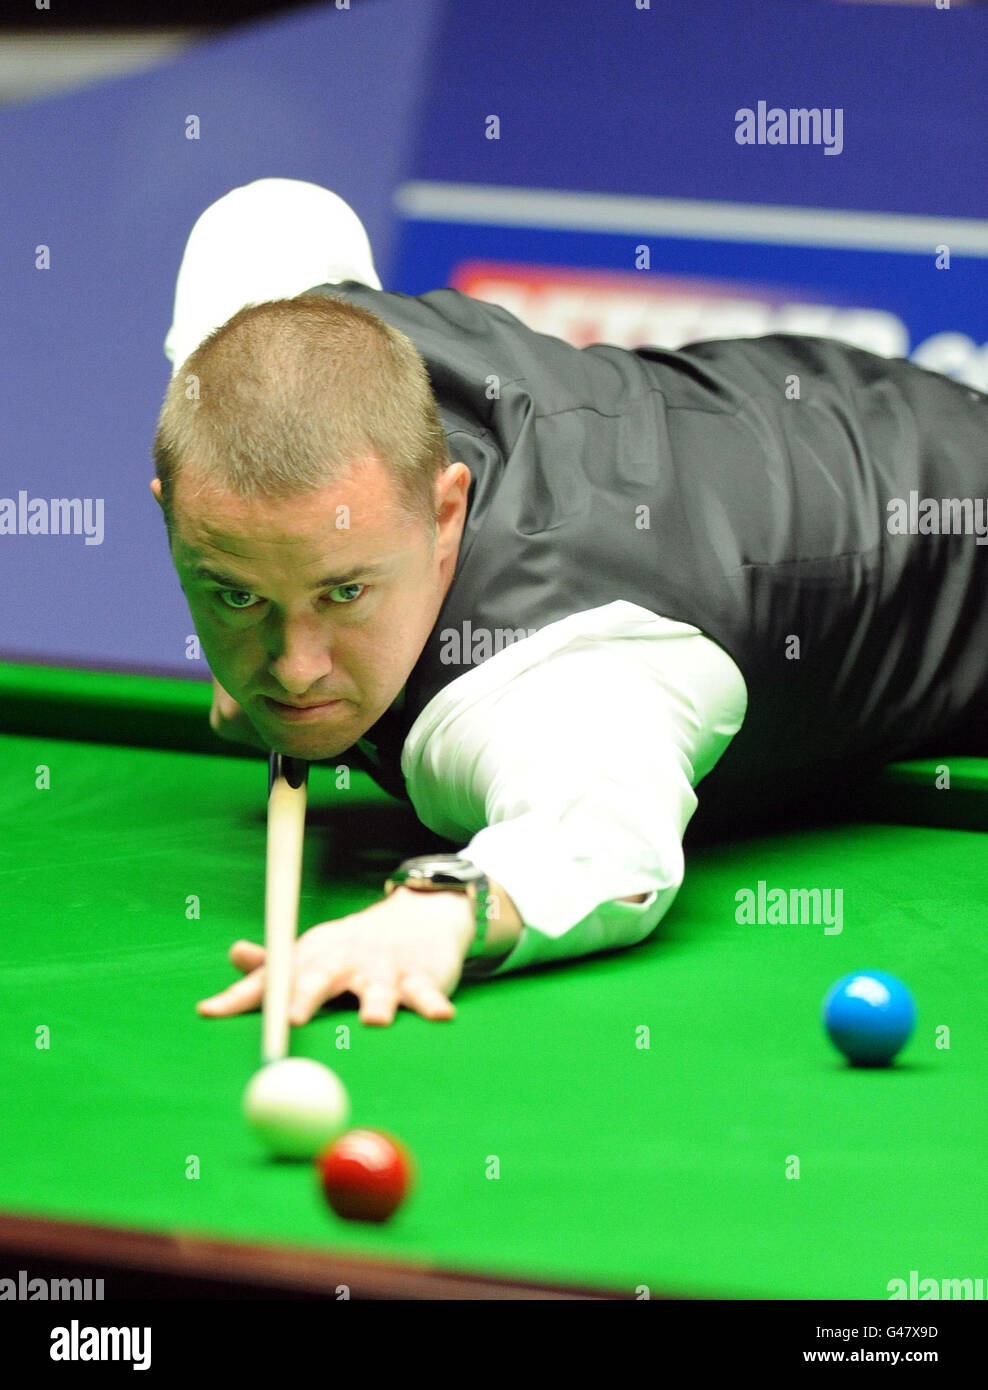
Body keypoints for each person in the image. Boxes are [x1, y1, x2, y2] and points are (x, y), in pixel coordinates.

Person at [152, 178, 988, 1028]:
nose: (296, 667)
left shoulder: (547, 674)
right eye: (235, 594)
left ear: (446, 512)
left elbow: (609, 846)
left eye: (346, 592)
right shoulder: (270, 335)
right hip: (792, 408)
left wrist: (433, 914)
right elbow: (273, 221)